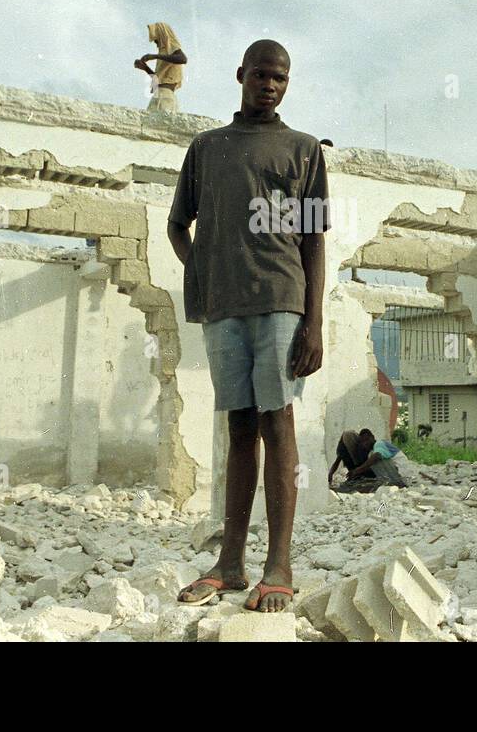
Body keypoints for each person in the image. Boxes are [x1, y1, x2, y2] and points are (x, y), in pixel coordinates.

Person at [168, 39, 331, 614]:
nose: (271, 85)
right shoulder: (206, 148)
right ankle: (230, 564)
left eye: (281, 78)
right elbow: (177, 227)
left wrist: (314, 321)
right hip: (223, 310)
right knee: (238, 429)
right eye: (262, 75)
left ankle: (279, 566)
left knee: (277, 425)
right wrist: (206, 273)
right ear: (241, 75)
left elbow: (313, 241)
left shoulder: (304, 150)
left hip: (282, 303)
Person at [135, 22, 187, 112]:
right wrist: (145, 68)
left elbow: (183, 59)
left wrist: (155, 56)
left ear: (162, 36)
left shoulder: (172, 49)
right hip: (159, 94)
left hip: (165, 95)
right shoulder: (164, 53)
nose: (155, 42)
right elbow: (157, 80)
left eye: (156, 39)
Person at [335, 429, 407, 492]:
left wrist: (356, 471)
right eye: (362, 442)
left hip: (404, 473)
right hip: (397, 474)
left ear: (372, 437)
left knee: (373, 457)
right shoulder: (371, 453)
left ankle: (396, 483)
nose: (365, 444)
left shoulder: (380, 444)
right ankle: (390, 484)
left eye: (367, 440)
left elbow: (377, 456)